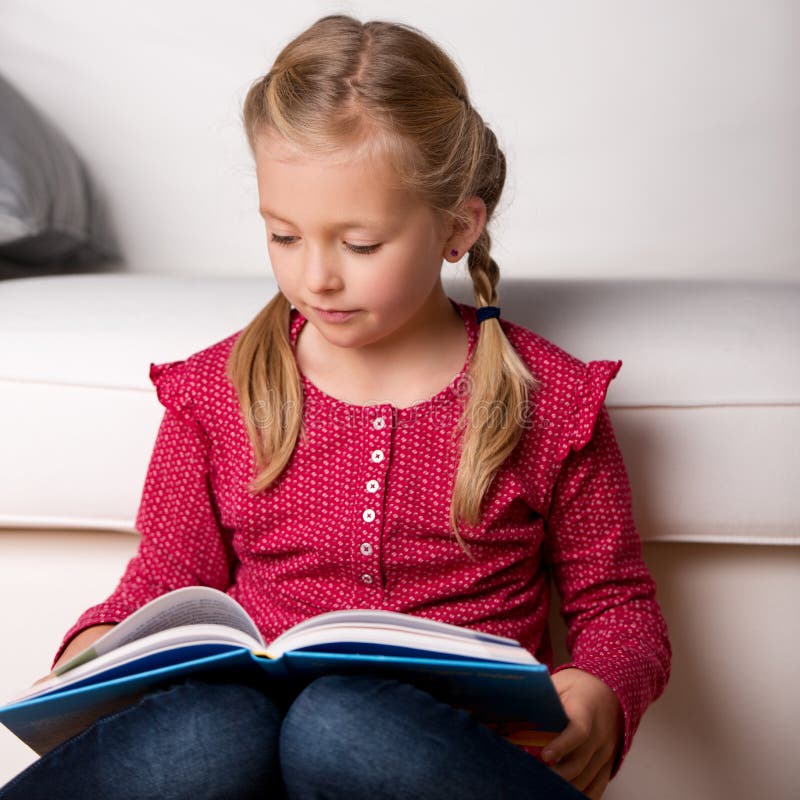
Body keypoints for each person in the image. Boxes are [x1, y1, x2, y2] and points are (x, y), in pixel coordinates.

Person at [0, 13, 670, 800]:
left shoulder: (550, 400)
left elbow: (618, 606)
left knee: (338, 723)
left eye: (359, 245)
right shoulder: (217, 392)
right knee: (211, 729)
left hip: (438, 763)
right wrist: (96, 649)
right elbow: (166, 581)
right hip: (254, 756)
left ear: (457, 227)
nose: (315, 277)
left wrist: (601, 690)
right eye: (284, 236)